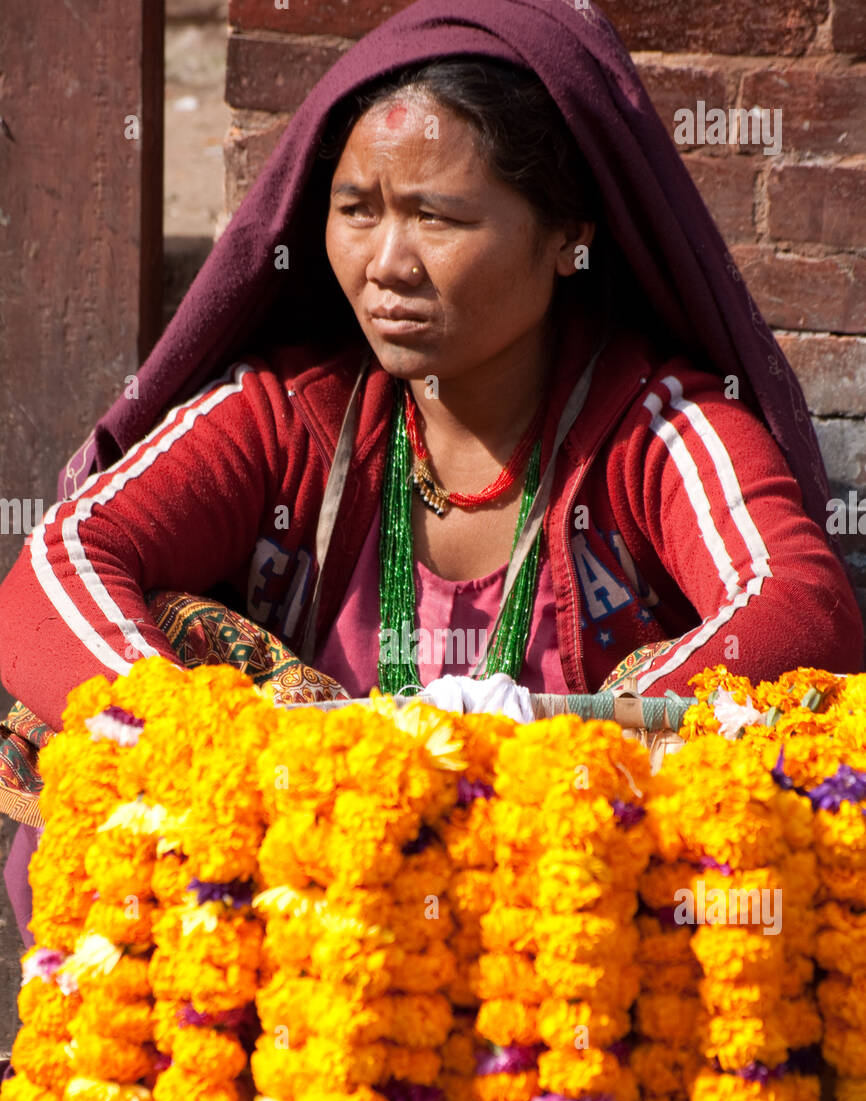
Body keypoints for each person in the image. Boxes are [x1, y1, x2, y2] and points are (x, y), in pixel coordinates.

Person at [0, 0, 862, 934]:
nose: (386, 264)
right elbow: (61, 564)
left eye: (436, 218)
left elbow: (799, 604)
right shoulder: (289, 417)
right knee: (90, 730)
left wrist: (539, 745)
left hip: (575, 902)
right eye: (356, 213)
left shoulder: (655, 427)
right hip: (306, 901)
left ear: (567, 236)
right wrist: (204, 732)